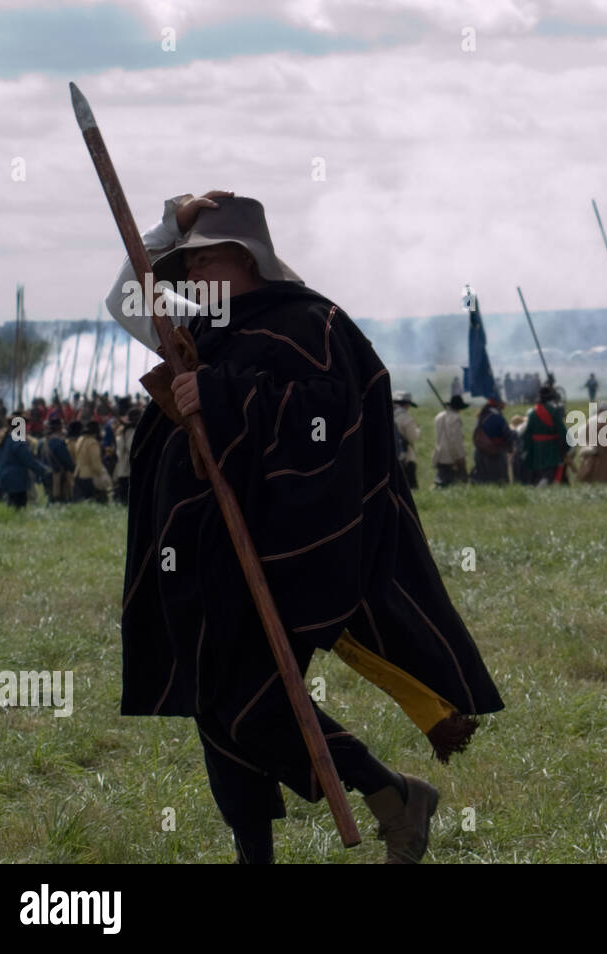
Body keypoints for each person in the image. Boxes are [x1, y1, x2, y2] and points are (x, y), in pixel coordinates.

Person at [105, 191, 503, 864]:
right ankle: (322, 826)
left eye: (202, 259)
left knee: (250, 702)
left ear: (245, 256)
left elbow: (331, 421)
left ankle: (388, 792)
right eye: (187, 262)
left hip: (276, 553)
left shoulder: (311, 324)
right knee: (216, 703)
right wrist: (169, 225)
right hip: (202, 550)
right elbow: (124, 300)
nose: (192, 274)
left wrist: (226, 396)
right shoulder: (202, 327)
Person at [0, 417, 50, 509]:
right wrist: (44, 470)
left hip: (4, 476)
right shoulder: (17, 441)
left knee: (11, 504)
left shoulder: (2, 440)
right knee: (19, 506)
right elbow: (29, 461)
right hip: (16, 479)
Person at [522, 384, 568, 485]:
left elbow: (527, 433)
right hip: (552, 448)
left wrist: (525, 447)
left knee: (539, 471)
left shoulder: (532, 412)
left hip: (537, 448)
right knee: (551, 472)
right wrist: (567, 446)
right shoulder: (553, 411)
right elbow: (561, 430)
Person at [472, 397, 512, 484]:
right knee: (499, 481)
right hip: (495, 453)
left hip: (480, 452)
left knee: (483, 480)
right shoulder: (498, 418)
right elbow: (508, 435)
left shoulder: (481, 417)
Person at [433, 394, 469, 487]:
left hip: (439, 453)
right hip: (452, 456)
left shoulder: (439, 416)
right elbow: (456, 441)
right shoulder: (456, 418)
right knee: (456, 483)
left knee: (442, 482)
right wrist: (460, 457)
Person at [72, 419, 113, 503]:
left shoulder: (80, 439)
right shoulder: (92, 442)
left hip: (79, 473)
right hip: (90, 475)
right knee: (101, 501)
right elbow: (95, 462)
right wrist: (101, 475)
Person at [40, 415, 76, 503]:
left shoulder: (42, 442)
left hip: (45, 475)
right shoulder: (58, 443)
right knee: (61, 501)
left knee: (51, 499)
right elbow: (68, 462)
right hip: (58, 477)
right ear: (59, 429)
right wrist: (74, 469)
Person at [391, 391, 421, 490]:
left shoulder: (389, 414)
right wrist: (418, 430)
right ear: (407, 404)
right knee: (411, 486)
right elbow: (413, 437)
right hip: (406, 455)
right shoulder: (406, 417)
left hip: (391, 454)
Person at [112, 408, 140, 503]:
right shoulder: (131, 432)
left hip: (122, 467)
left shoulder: (121, 432)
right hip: (128, 469)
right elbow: (132, 449)